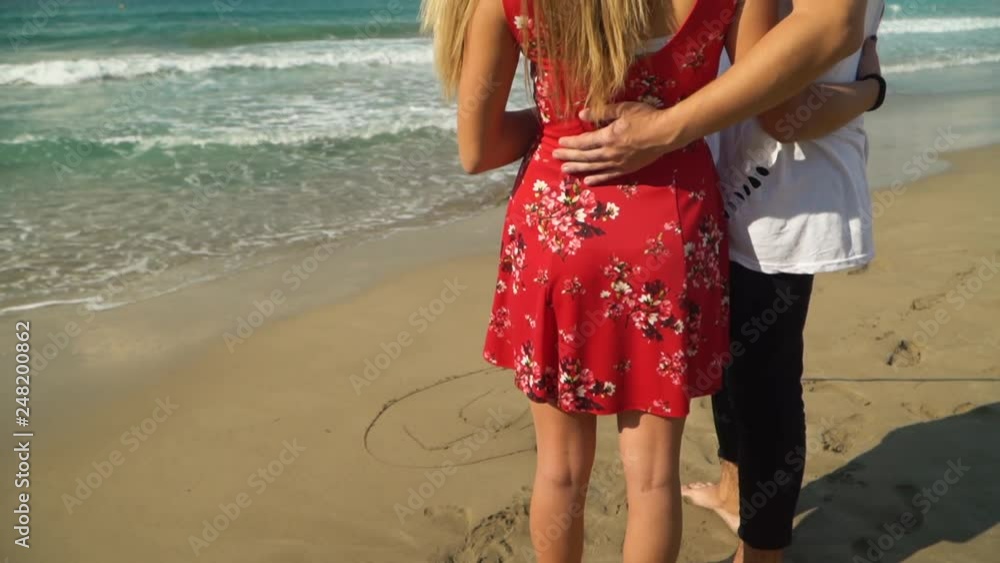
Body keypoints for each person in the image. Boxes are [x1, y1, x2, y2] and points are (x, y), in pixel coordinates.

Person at [422, 0, 774, 561]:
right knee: (655, 479)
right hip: (670, 231)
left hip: (559, 227)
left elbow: (478, 150)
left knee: (558, 470)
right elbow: (766, 95)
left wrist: (559, 122)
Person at [556, 1, 889, 562]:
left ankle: (761, 553)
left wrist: (873, 91)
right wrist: (872, 85)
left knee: (766, 382)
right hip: (711, 182)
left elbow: (785, 112)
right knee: (725, 364)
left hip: (781, 199)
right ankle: (734, 489)